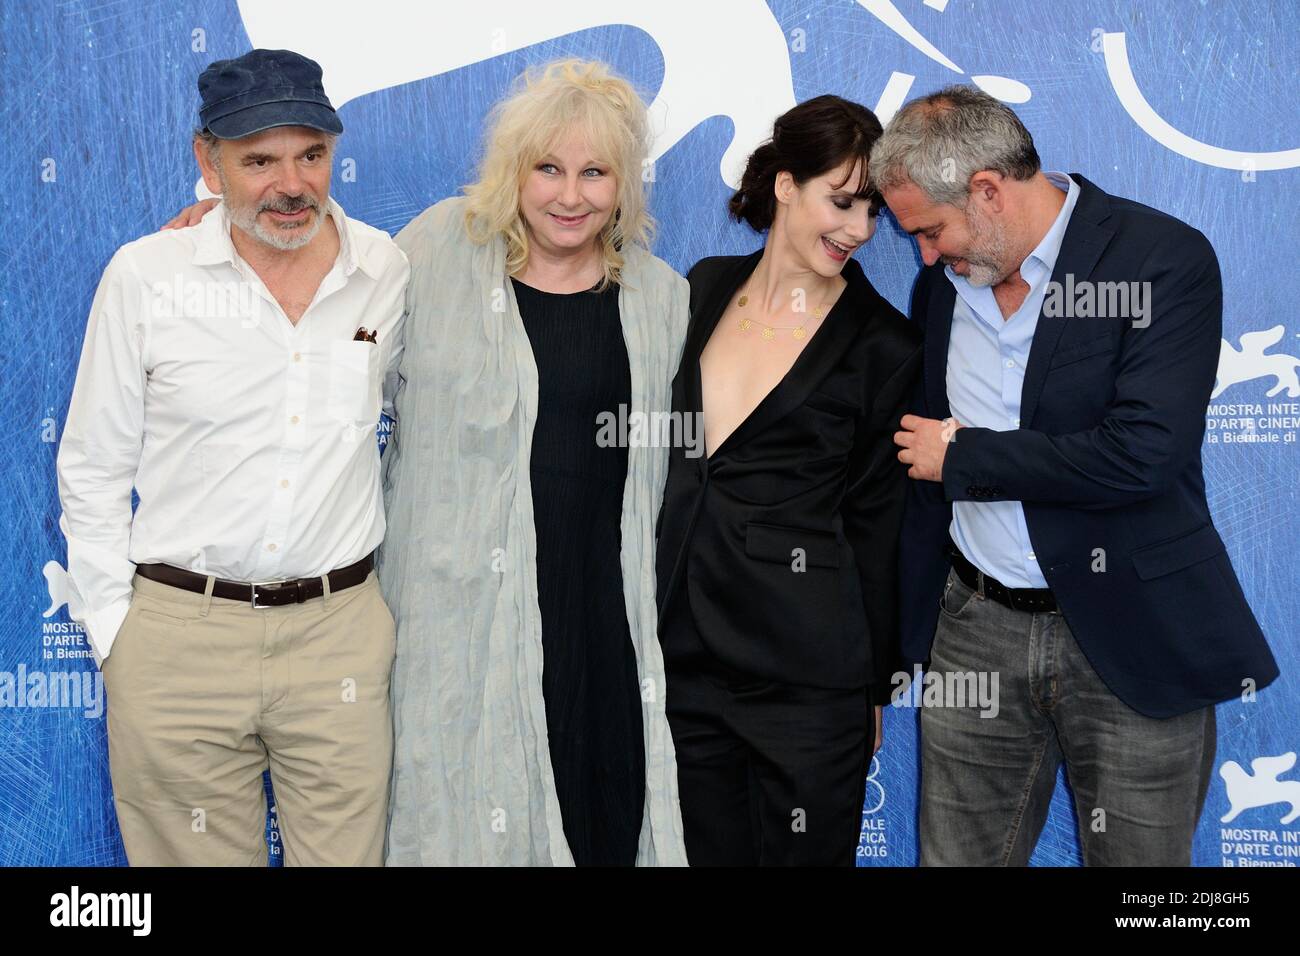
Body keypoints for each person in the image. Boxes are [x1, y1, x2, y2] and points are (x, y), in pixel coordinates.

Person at [878, 85, 1280, 866]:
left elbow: (1143, 454)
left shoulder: (1160, 258)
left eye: (930, 231)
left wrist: (964, 456)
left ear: (988, 190)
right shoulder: (942, 288)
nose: (924, 256)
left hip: (1133, 630)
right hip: (976, 632)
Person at [57, 48, 409, 865]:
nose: (292, 185)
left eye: (311, 155)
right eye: (259, 160)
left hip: (339, 641)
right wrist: (118, 636)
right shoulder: (146, 277)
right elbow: (93, 467)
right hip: (179, 641)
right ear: (206, 161)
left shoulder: (386, 269)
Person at [379, 59, 689, 865]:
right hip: (458, 612)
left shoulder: (659, 298)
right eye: (547, 168)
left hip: (600, 614)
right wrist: (217, 230)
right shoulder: (437, 252)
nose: (569, 195)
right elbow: (330, 322)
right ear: (511, 170)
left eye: (595, 172)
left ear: (624, 185)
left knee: (598, 817)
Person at [655, 95, 923, 866]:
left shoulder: (884, 344)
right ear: (782, 184)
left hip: (808, 677)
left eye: (873, 211)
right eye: (841, 201)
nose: (860, 231)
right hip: (686, 664)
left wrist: (873, 685)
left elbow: (879, 523)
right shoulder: (701, 288)